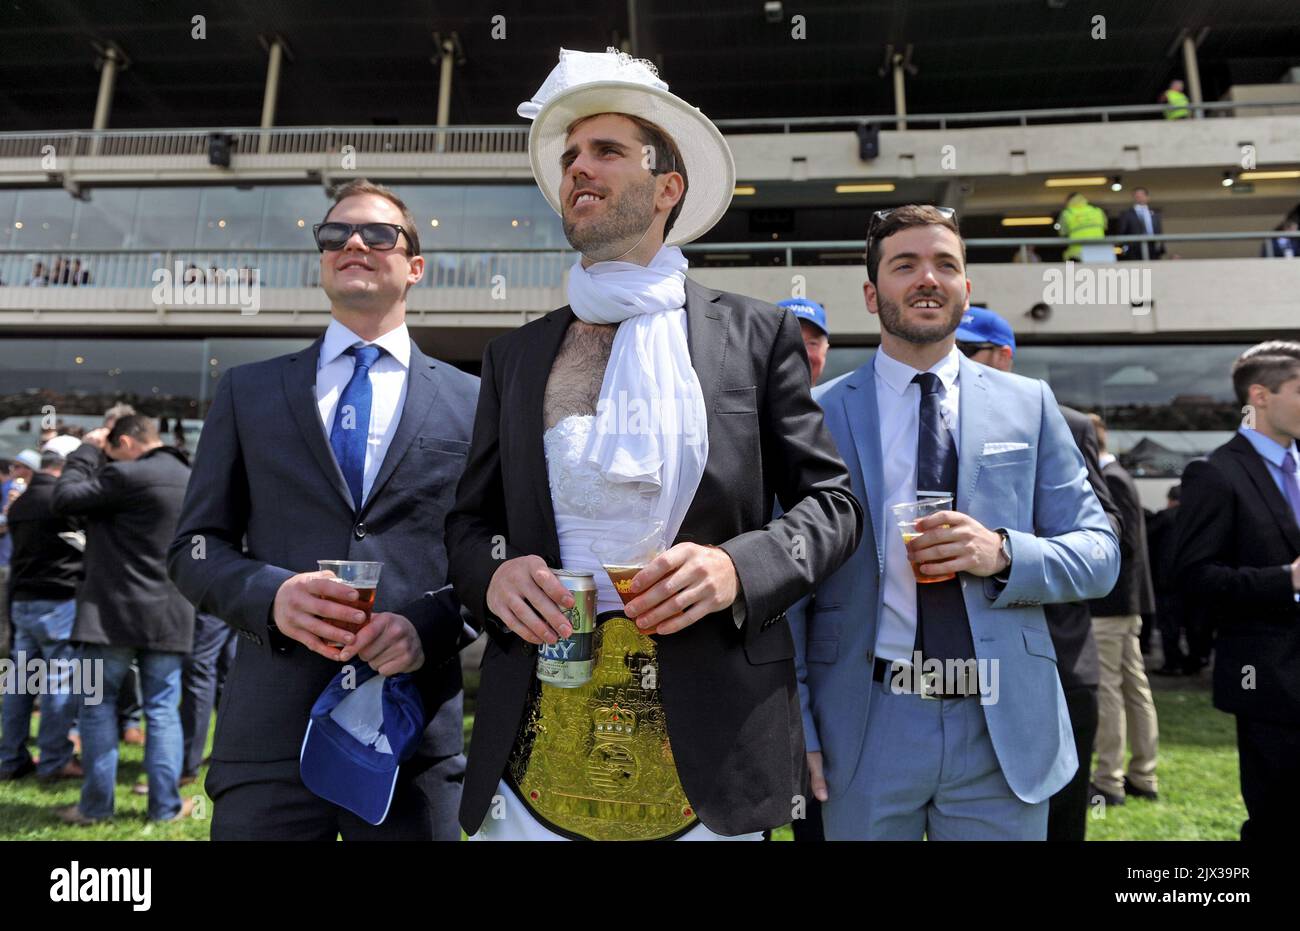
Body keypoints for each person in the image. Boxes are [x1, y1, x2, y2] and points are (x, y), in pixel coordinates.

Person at [447, 47, 861, 842]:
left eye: (606, 150)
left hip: (713, 745)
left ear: (667, 186)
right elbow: (467, 525)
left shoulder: (756, 334)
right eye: (569, 155)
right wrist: (493, 576)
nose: (579, 168)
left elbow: (834, 506)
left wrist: (737, 565)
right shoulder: (516, 354)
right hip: (537, 740)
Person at [788, 204, 1120, 841]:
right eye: (904, 265)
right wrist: (798, 725)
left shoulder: (1031, 405)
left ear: (967, 288)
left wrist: (1001, 552)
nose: (928, 279)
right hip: (865, 722)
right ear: (870, 291)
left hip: (1001, 728)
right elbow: (793, 588)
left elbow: (1100, 554)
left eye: (946, 265)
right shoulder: (817, 417)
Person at [168, 178, 480, 841]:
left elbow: (498, 551)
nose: (354, 244)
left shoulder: (474, 401)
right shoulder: (247, 391)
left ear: (414, 267)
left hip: (411, 738)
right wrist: (270, 595)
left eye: (378, 233)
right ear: (321, 261)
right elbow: (194, 546)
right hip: (269, 733)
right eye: (335, 234)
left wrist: (430, 625)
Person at [954, 304, 1123, 841]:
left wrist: (1004, 548)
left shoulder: (1057, 418)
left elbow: (1102, 534)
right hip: (945, 673)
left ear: (1003, 355)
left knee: (1056, 824)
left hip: (1054, 660)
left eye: (965, 351)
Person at [1176, 340, 1300, 841]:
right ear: (1261, 395)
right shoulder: (1215, 473)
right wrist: (1286, 580)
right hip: (1270, 684)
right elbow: (1191, 577)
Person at [51, 416, 196, 824]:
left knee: (97, 707)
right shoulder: (192, 477)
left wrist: (86, 451)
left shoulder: (122, 475)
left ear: (127, 442)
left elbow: (63, 499)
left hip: (109, 616)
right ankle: (165, 808)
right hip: (169, 615)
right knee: (163, 710)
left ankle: (96, 808)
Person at [1086, 413, 1159, 807]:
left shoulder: (1110, 479)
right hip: (1123, 604)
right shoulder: (1120, 475)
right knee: (1134, 688)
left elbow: (1122, 543)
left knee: (1111, 689)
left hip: (1109, 605)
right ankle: (1143, 774)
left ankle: (1109, 780)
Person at [0, 450, 84, 782]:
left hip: (24, 602)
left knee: (19, 684)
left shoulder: (19, 504)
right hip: (59, 602)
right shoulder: (64, 502)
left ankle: (10, 759)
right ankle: (53, 761)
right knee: (58, 685)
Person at [1145, 485, 1191, 675]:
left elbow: (1147, 539)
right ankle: (1192, 659)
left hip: (1166, 580)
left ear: (1171, 499)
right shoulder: (1194, 517)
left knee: (1168, 625)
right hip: (1189, 579)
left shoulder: (1164, 517)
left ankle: (1172, 663)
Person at [777, 298, 830, 385]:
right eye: (787, 342)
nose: (803, 353)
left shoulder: (840, 397)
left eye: (812, 343)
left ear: (825, 350)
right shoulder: (749, 398)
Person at [1116, 188, 1165, 260]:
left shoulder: (1154, 214)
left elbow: (1159, 231)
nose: (1140, 198)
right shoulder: (1126, 214)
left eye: (1142, 195)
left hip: (1152, 246)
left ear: (1147, 197)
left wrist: (1161, 246)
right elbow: (1121, 231)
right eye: (1137, 196)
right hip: (1134, 248)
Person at [1057, 192, 1108, 261]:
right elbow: (1105, 227)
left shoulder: (1067, 213)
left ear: (1069, 201)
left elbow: (1062, 233)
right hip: (1099, 249)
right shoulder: (1097, 211)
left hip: (1077, 252)